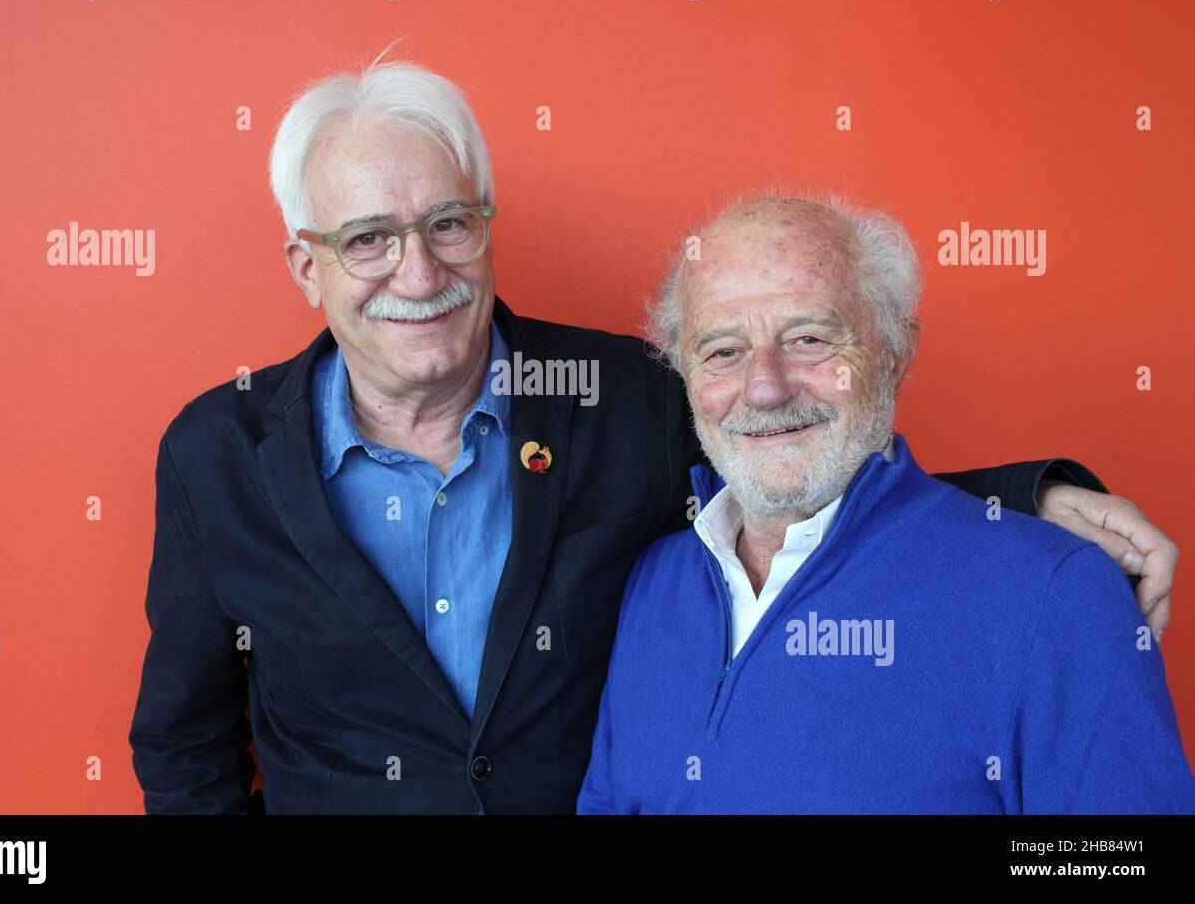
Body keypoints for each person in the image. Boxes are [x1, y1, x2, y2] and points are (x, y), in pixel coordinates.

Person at [129, 58, 1179, 814]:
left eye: (447, 222)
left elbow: (790, 462)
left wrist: (1024, 503)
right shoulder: (217, 452)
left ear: (485, 226)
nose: (418, 271)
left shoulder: (617, 393)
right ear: (306, 266)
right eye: (368, 238)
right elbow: (185, 740)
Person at [577, 194, 1194, 813]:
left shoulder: (1059, 594)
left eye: (809, 338)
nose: (764, 387)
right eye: (723, 351)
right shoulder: (654, 581)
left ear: (896, 352)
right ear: (685, 372)